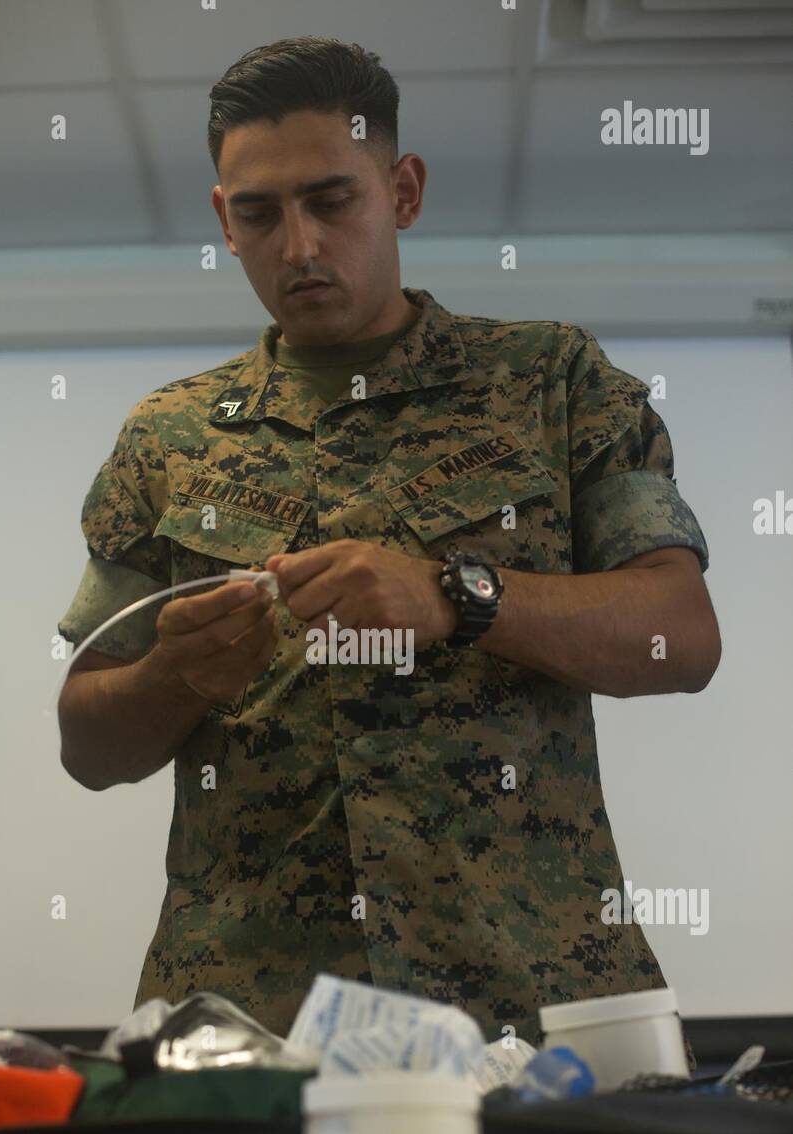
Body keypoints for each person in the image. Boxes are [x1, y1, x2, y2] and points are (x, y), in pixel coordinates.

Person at [57, 37, 721, 1054]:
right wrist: (176, 677)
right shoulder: (169, 435)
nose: (300, 247)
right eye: (259, 213)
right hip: (250, 1015)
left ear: (401, 192)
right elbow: (88, 742)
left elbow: (680, 636)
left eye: (332, 200)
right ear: (222, 223)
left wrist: (459, 596)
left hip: (531, 998)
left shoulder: (552, 383)